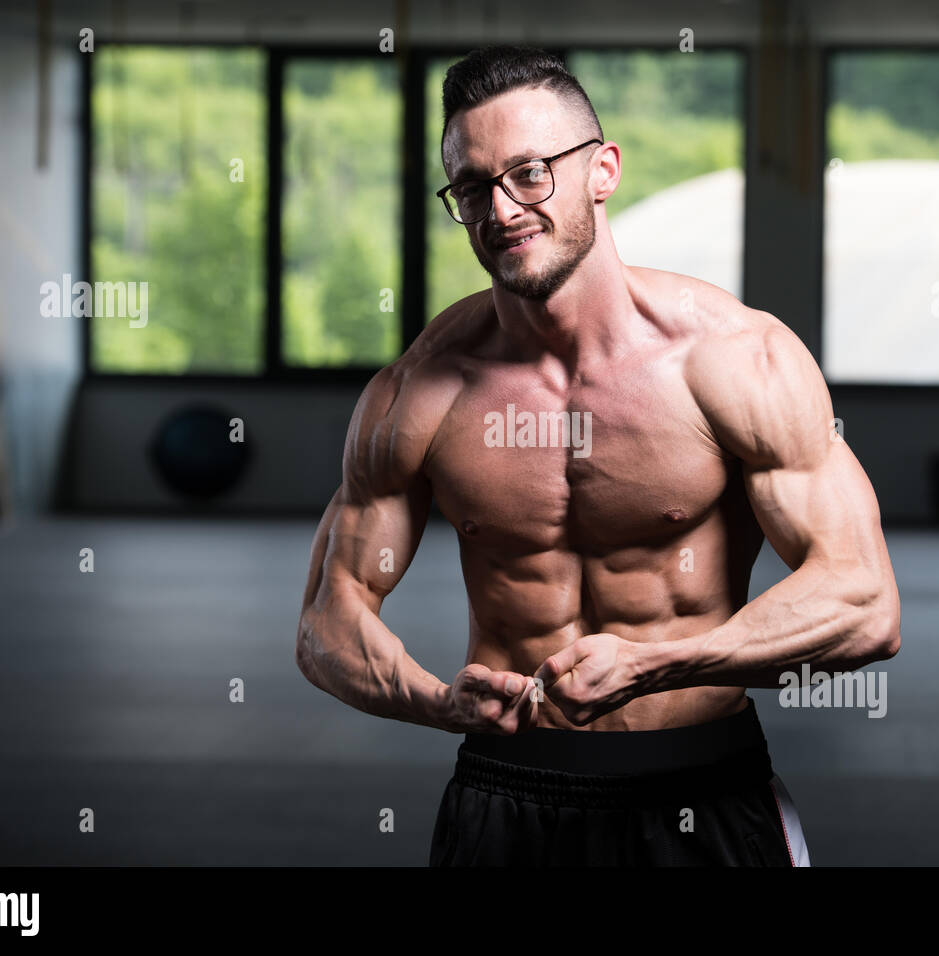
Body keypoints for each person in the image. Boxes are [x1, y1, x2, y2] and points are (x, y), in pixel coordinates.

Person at [296, 45, 900, 866]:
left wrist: (659, 664)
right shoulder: (421, 389)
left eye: (530, 172)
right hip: (505, 790)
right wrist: (434, 701)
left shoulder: (733, 358)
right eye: (473, 187)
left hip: (698, 787)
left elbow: (865, 605)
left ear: (603, 169)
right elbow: (328, 620)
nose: (502, 208)